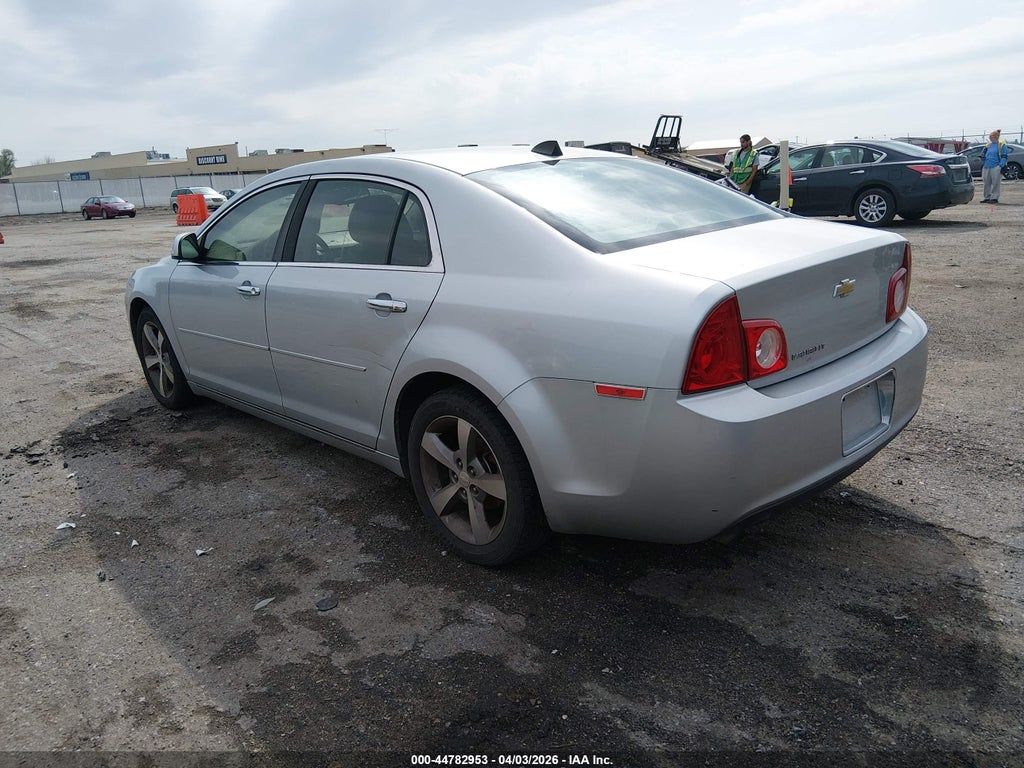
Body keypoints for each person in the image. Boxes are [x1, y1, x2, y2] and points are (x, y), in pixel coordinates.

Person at [981, 129, 1009, 203]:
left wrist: (1000, 166)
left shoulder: (1001, 145)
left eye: (991, 137)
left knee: (996, 183)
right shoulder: (988, 145)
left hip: (996, 166)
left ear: (996, 137)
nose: (990, 138)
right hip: (986, 166)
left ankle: (994, 197)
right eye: (990, 137)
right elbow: (983, 154)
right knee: (986, 183)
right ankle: (987, 197)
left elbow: (1004, 156)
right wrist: (983, 161)